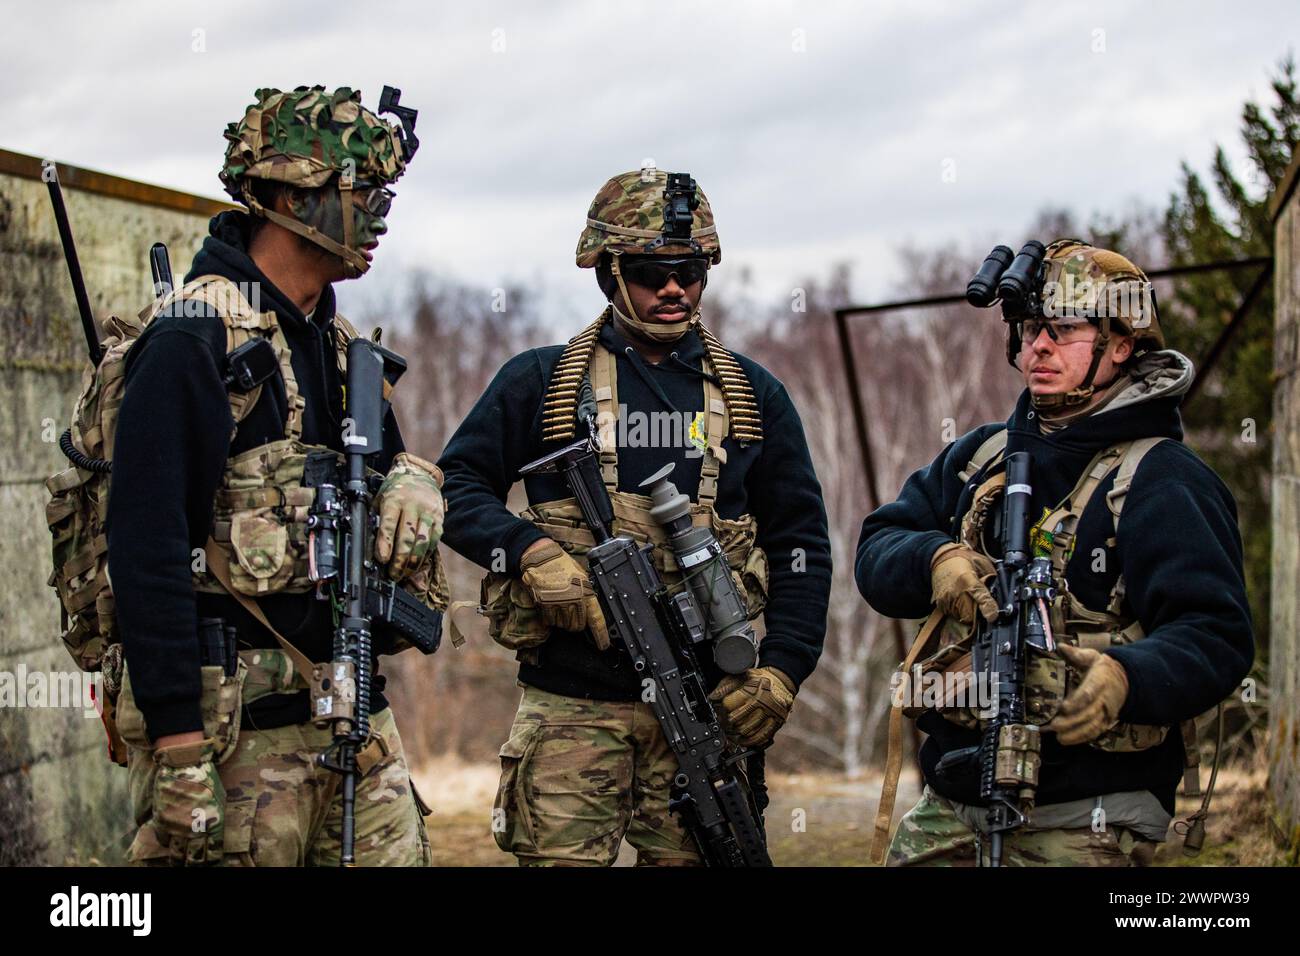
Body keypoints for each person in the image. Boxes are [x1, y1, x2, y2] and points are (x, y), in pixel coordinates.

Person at [438, 165, 831, 865]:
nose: (675, 289)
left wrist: (780, 672)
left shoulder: (753, 397)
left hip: (708, 704)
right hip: (571, 708)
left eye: (691, 271)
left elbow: (801, 546)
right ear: (609, 273)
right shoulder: (541, 383)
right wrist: (528, 551)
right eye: (653, 272)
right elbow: (455, 488)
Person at [106, 85, 446, 866]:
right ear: (294, 195)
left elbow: (386, 471)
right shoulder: (192, 341)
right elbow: (147, 551)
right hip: (240, 750)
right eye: (366, 193)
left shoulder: (338, 346)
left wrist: (416, 480)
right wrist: (179, 748)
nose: (380, 217)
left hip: (355, 723)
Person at [857, 239, 1254, 866]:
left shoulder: (1164, 481)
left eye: (1063, 329)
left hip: (1093, 810)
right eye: (1029, 329)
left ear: (1121, 345)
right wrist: (934, 559)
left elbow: (1217, 635)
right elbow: (877, 546)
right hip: (955, 799)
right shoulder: (981, 459)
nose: (1037, 347)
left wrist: (1129, 676)